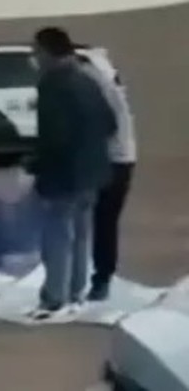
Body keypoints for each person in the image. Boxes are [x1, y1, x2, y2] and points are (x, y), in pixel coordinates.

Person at [29, 27, 117, 319]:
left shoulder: (52, 83)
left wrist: (38, 164)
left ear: (47, 51)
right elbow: (110, 123)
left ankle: (54, 296)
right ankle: (76, 291)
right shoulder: (88, 80)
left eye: (36, 51)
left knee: (57, 235)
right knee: (81, 235)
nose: (34, 58)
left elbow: (54, 135)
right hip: (92, 172)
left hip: (63, 174)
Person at [76, 56, 137, 301]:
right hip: (121, 158)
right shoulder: (107, 85)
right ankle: (98, 278)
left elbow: (105, 125)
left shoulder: (94, 85)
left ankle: (95, 279)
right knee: (104, 222)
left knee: (97, 220)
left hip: (110, 160)